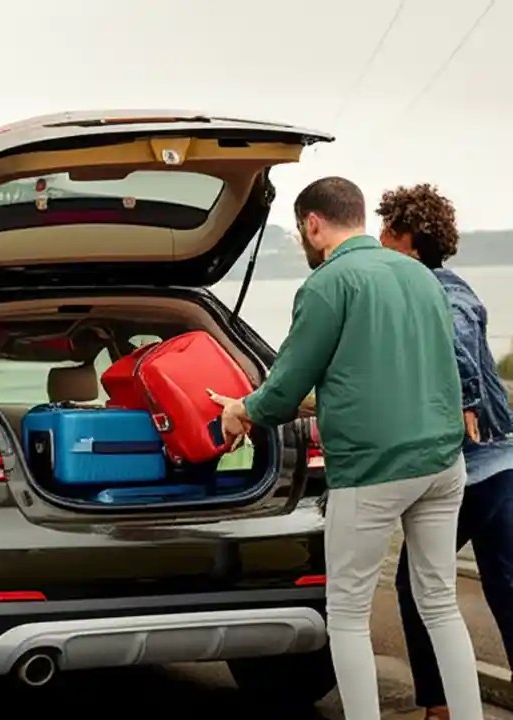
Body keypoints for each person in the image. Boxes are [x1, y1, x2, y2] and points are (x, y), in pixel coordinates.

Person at [209, 176, 482, 720]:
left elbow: (285, 387)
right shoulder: (421, 277)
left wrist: (241, 411)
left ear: (314, 224)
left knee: (350, 615)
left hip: (375, 469)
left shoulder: (327, 284)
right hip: (443, 464)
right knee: (441, 604)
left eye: (301, 232)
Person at [378, 183, 513, 720]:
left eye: (387, 230)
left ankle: (438, 707)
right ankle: (440, 704)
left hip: (473, 468)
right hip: (500, 465)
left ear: (408, 239)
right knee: (505, 585)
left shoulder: (431, 290)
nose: (381, 239)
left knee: (416, 585)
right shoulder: (452, 283)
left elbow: (455, 337)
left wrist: (468, 397)